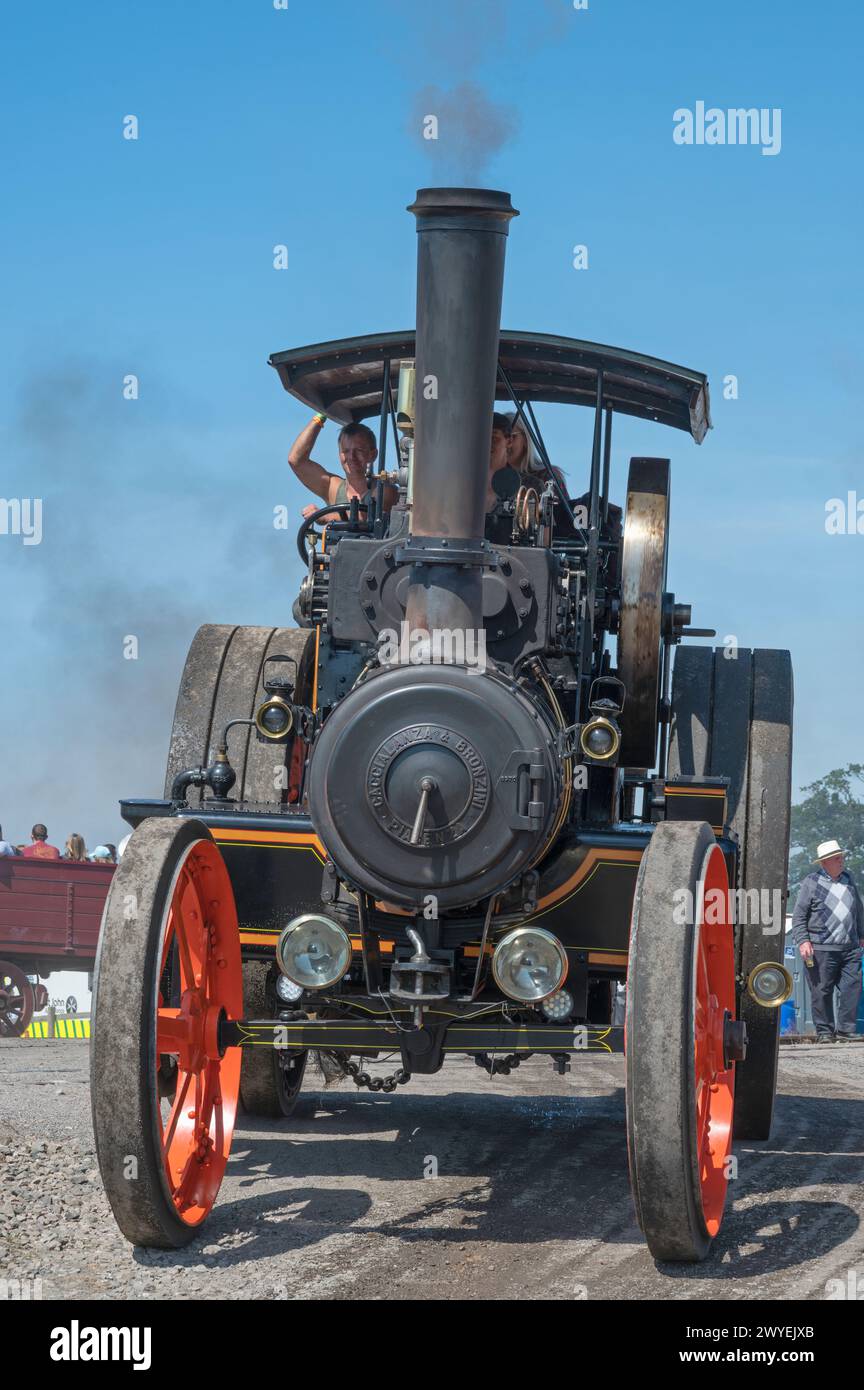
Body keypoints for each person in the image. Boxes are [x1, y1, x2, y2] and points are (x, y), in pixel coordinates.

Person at [792, 839, 864, 1042]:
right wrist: (803, 941)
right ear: (824, 863)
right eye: (836, 859)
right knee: (821, 990)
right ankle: (824, 1032)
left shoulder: (849, 879)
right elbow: (799, 917)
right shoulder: (811, 883)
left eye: (841, 858)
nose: (841, 861)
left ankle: (845, 1029)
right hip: (821, 947)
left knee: (852, 987)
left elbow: (858, 910)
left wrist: (862, 935)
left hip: (850, 946)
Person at [288, 414, 396, 519]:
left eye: (359, 450)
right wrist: (321, 415)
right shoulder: (333, 488)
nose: (351, 457)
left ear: (373, 455)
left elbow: (364, 516)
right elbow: (296, 461)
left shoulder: (385, 491)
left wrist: (325, 516)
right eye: (346, 451)